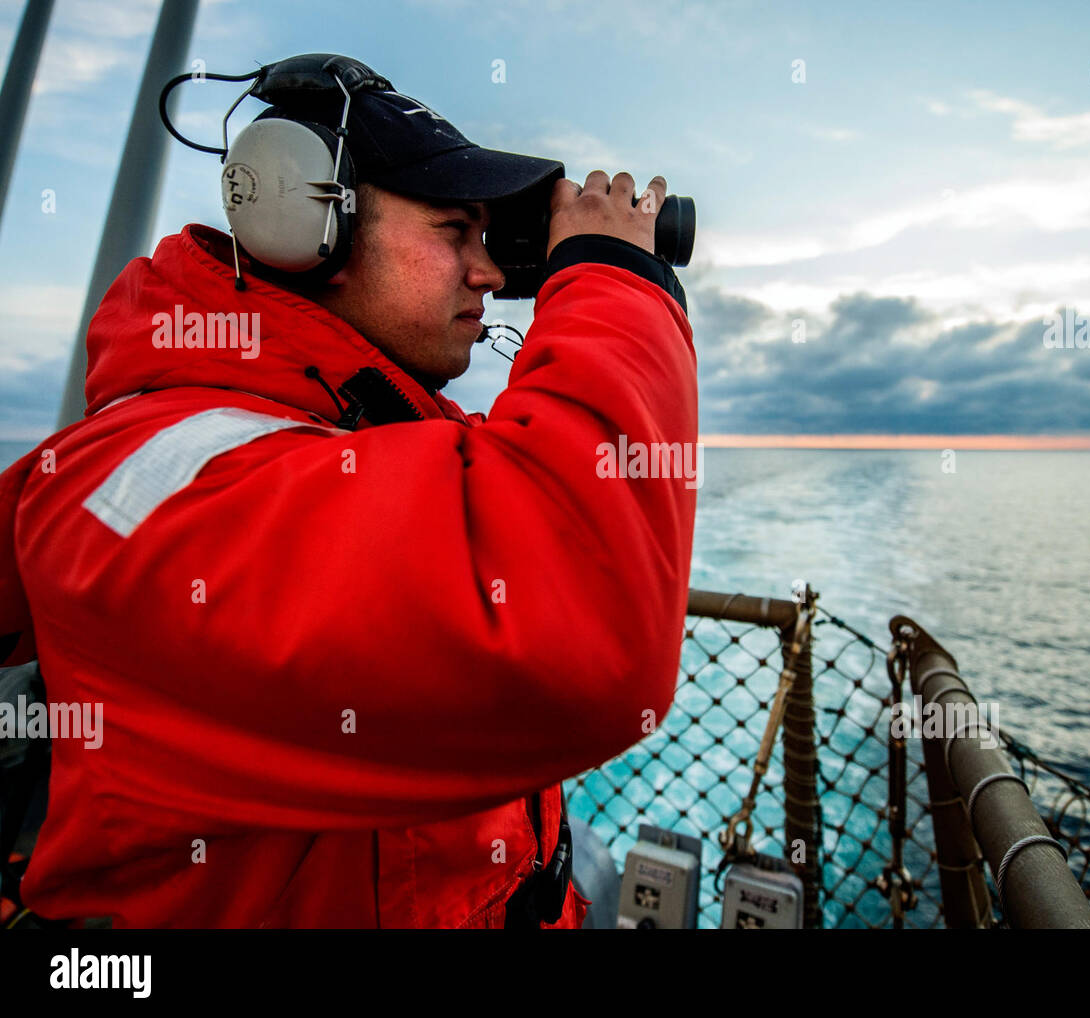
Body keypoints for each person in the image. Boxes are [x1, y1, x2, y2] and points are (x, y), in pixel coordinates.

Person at [0, 80, 697, 928]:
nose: (490, 272)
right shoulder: (154, 482)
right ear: (303, 224)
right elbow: (586, 641)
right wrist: (614, 284)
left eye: (490, 238)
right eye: (454, 231)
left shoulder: (349, 433)